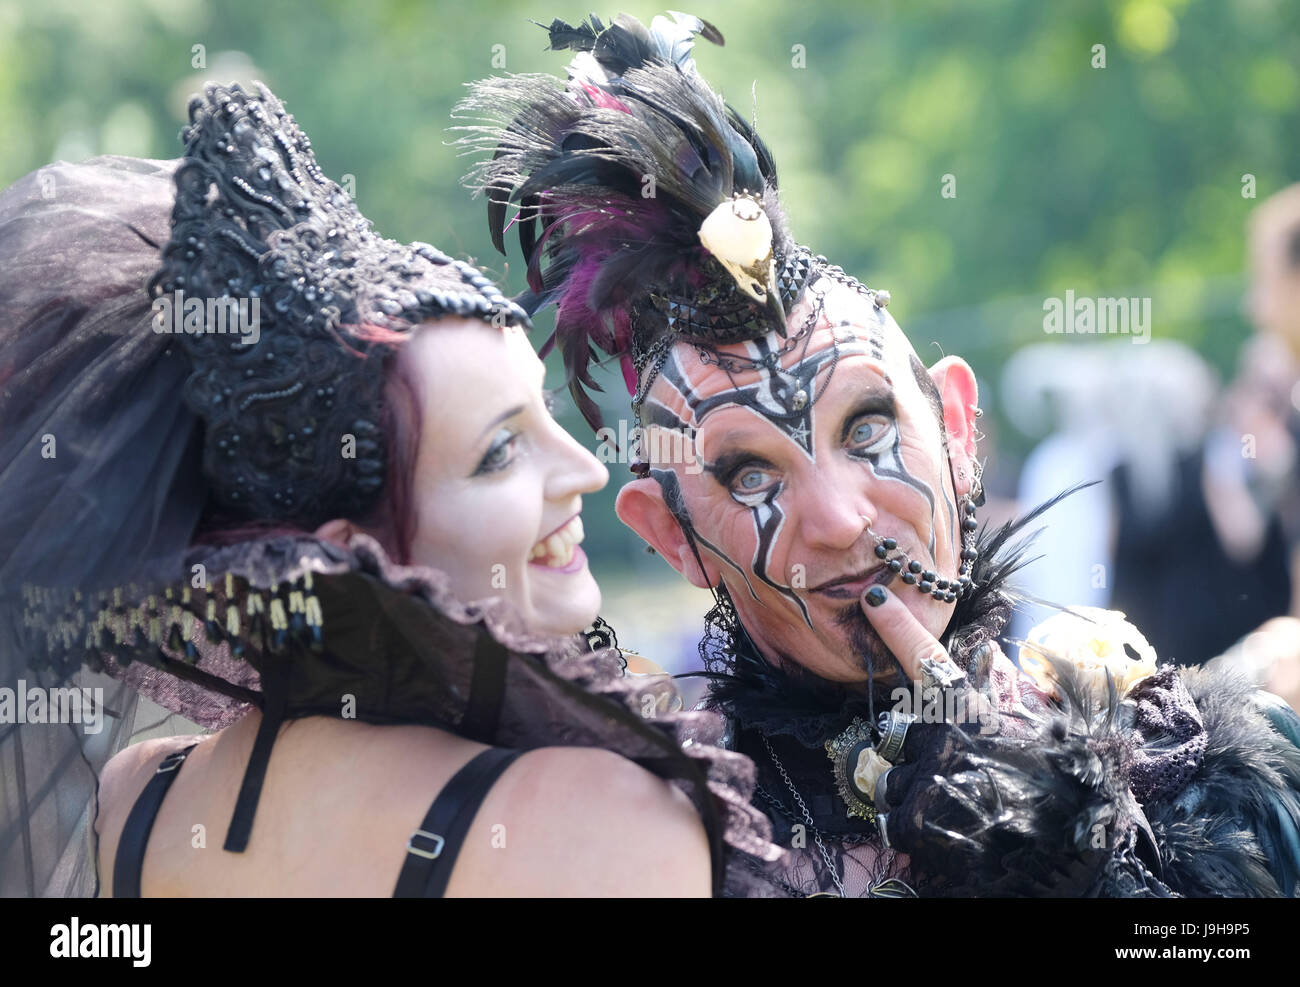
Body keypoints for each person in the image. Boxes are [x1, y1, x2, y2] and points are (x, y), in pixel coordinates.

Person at [462, 11, 1300, 896]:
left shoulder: (1190, 764)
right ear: (672, 538)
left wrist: (1071, 861)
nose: (838, 517)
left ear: (959, 430)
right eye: (749, 473)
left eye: (866, 428)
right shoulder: (661, 842)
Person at [0, 81, 778, 897]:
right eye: (500, 451)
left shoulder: (140, 803)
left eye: (548, 416)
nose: (586, 469)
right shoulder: (600, 818)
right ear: (340, 553)